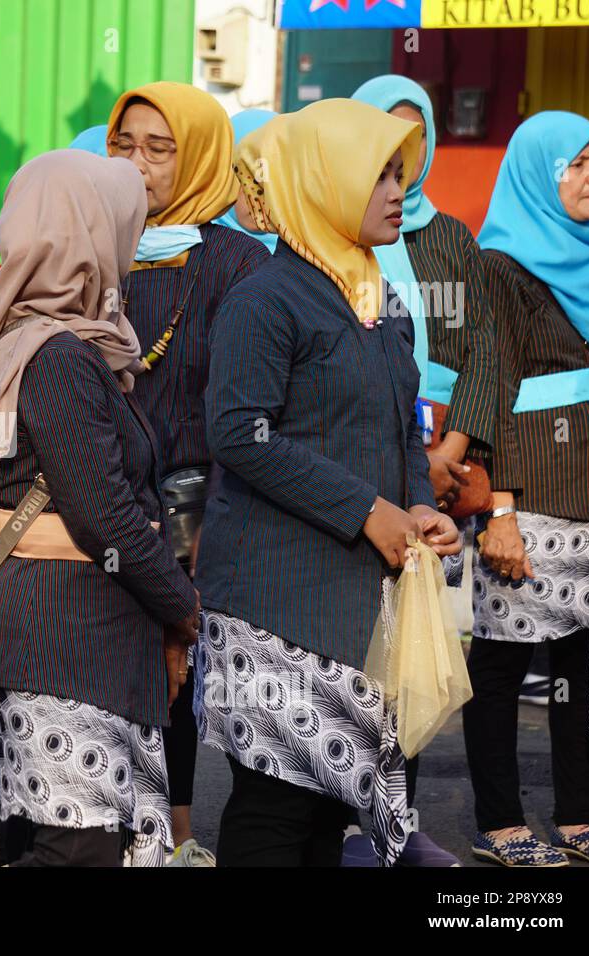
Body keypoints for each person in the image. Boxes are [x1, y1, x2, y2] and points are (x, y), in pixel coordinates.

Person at [195, 99, 461, 867]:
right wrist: (365, 509)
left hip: (357, 596)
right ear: (324, 181)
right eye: (376, 173)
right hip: (276, 598)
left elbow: (401, 426)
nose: (396, 189)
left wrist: (417, 505)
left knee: (330, 810)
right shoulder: (266, 298)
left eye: (399, 173)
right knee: (278, 806)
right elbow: (238, 434)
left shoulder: (384, 301)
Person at [0, 148, 200, 867]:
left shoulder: (32, 342)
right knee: (78, 852)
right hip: (66, 639)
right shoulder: (57, 358)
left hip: (59, 633)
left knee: (45, 837)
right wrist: (183, 605)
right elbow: (105, 514)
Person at [105, 81, 272, 866]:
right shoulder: (91, 242)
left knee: (182, 673)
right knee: (105, 671)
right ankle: (100, 824)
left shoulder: (238, 262)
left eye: (159, 149)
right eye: (123, 144)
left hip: (197, 513)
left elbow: (252, 405)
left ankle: (175, 831)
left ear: (201, 159)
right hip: (95, 500)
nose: (135, 163)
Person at [347, 74, 499, 868]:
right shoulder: (343, 230)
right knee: (353, 650)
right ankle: (342, 817)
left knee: (415, 655)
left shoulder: (448, 239)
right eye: (385, 139)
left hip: (440, 456)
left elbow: (486, 355)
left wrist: (447, 452)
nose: (403, 159)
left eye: (415, 140)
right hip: (363, 464)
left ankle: (395, 821)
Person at [465, 111, 589, 867]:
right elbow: (492, 393)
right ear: (536, 174)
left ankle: (579, 811)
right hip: (527, 500)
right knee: (498, 663)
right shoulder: (498, 267)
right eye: (576, 164)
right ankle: (498, 820)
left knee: (582, 665)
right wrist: (501, 511)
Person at [214, 109, 279, 253]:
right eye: (250, 177)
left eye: (275, 180)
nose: (263, 196)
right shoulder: (194, 254)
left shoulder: (308, 255)